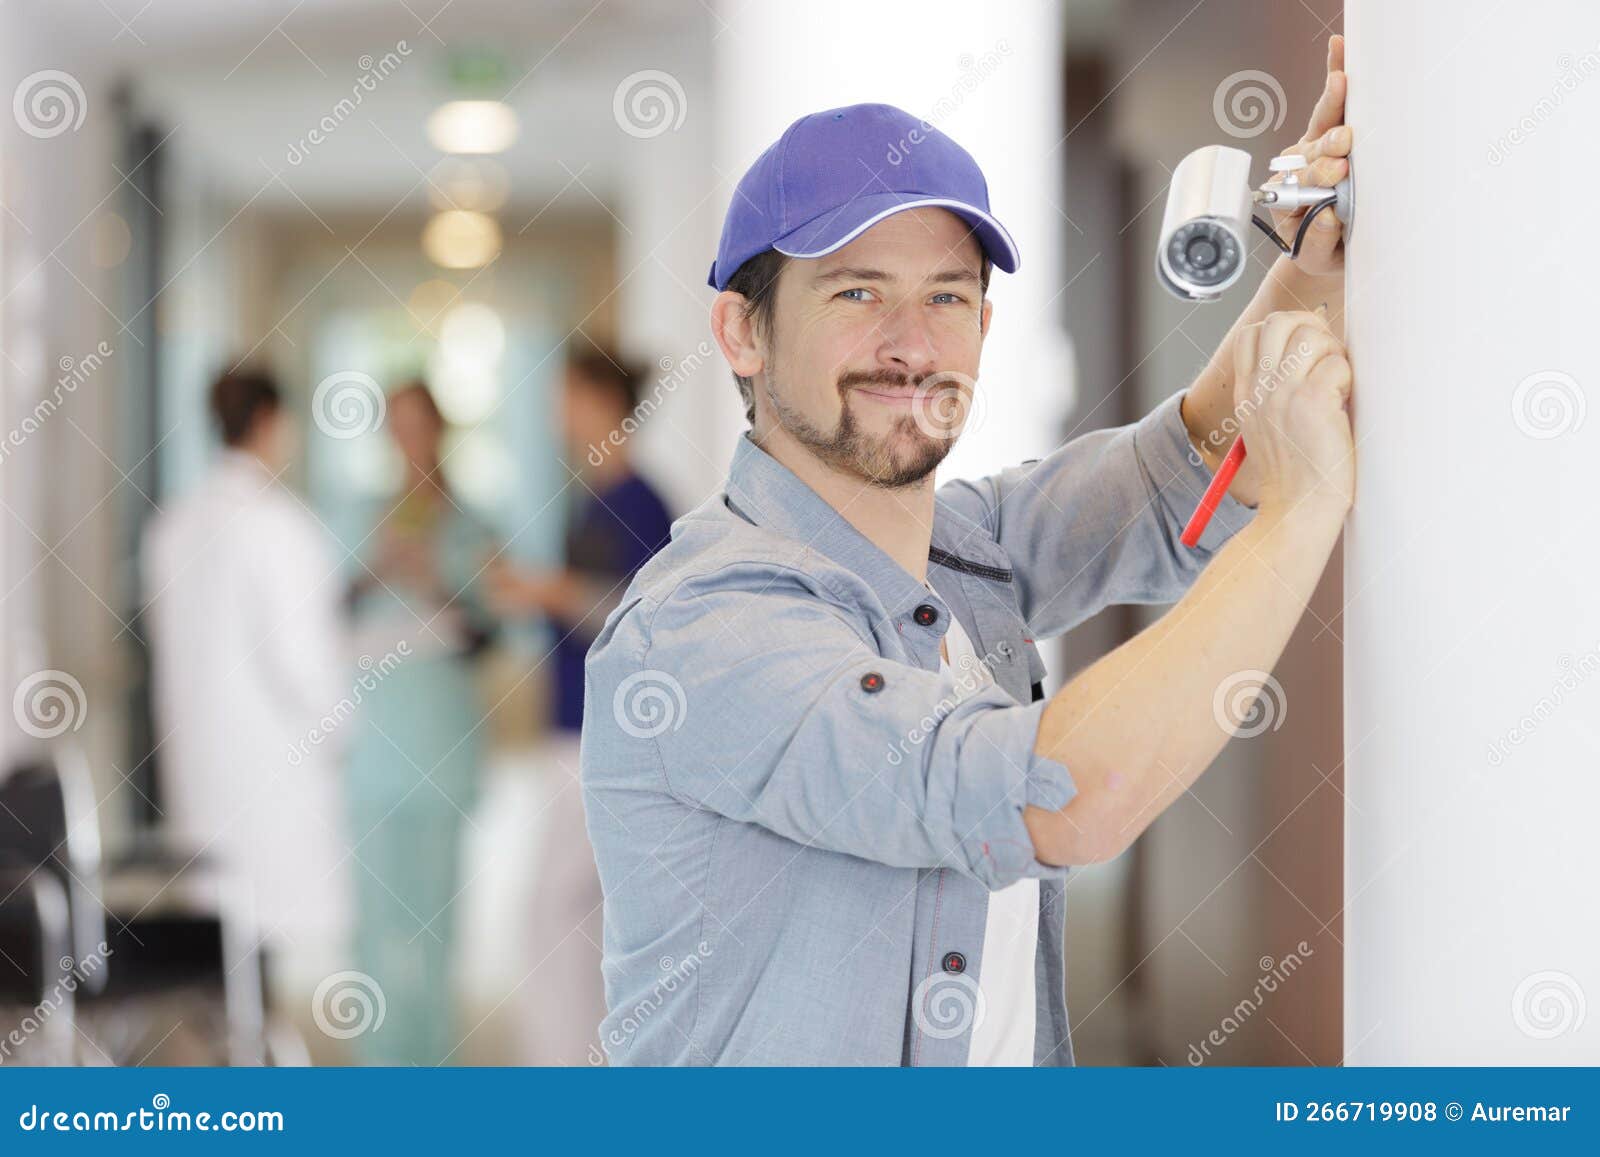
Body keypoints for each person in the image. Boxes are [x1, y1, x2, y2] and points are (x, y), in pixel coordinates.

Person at [582, 38, 1356, 1066]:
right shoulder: (707, 627)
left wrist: (1308, 265)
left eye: (946, 295)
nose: (913, 342)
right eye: (857, 293)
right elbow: (1057, 793)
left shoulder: (963, 553)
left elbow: (1185, 463)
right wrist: (1301, 514)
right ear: (741, 331)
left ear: (985, 323)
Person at [142, 367, 351, 1022]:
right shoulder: (281, 525)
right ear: (270, 422)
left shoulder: (172, 524)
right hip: (271, 767)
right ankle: (255, 1074)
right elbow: (305, 664)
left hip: (199, 762)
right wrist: (341, 723)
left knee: (223, 929)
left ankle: (236, 1066)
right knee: (257, 932)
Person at [489, 349, 673, 1065]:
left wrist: (547, 590)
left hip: (602, 737)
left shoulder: (640, 501)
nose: (554, 412)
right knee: (575, 919)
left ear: (598, 399)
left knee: (548, 913)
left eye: (564, 395)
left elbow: (640, 615)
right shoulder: (591, 498)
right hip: (573, 729)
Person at [342, 380, 499, 1066]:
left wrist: (438, 578)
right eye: (394, 424)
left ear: (440, 429)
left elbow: (491, 634)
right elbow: (325, 613)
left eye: (417, 423)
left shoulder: (475, 526)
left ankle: (432, 1067)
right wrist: (378, 568)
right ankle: (378, 1068)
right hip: (373, 754)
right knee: (374, 926)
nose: (407, 438)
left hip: (443, 750)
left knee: (435, 926)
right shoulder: (359, 518)